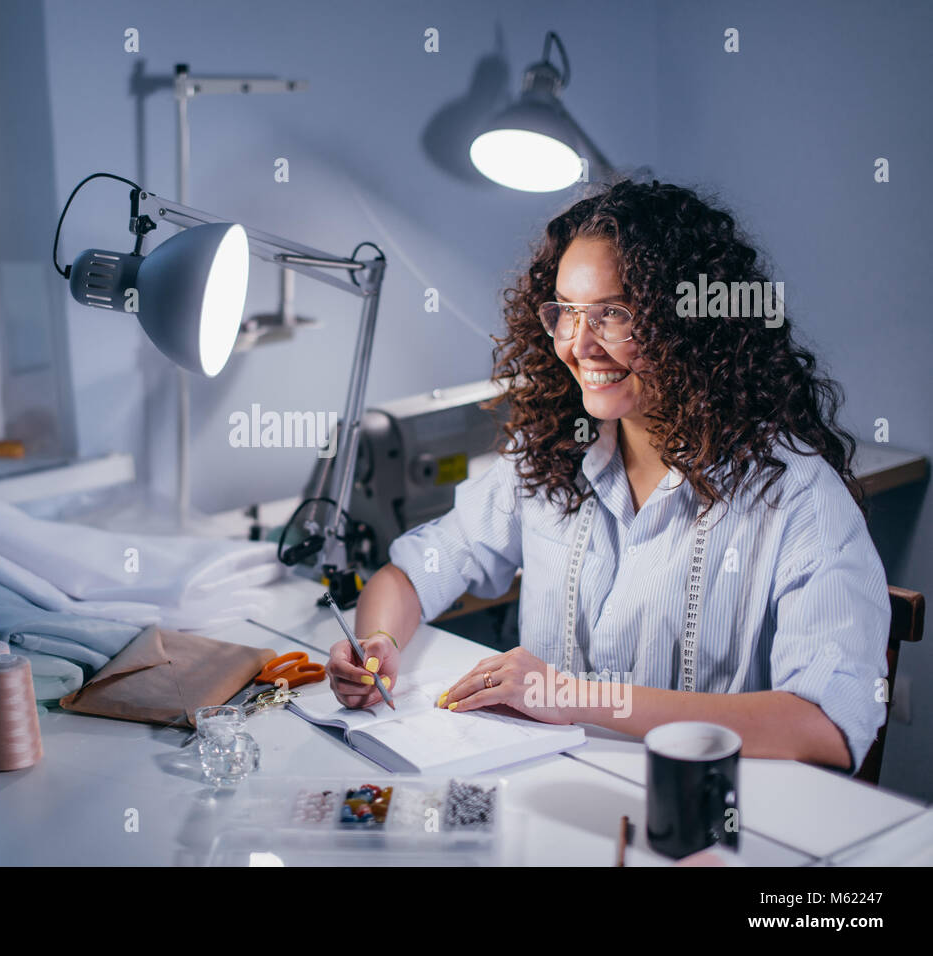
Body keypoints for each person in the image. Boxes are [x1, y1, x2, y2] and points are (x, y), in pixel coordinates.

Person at [326, 180, 889, 773]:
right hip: (551, 794)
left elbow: (825, 726)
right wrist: (379, 646)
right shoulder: (551, 455)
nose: (578, 345)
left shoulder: (798, 496)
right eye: (566, 312)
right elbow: (415, 571)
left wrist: (572, 697)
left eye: (614, 314)